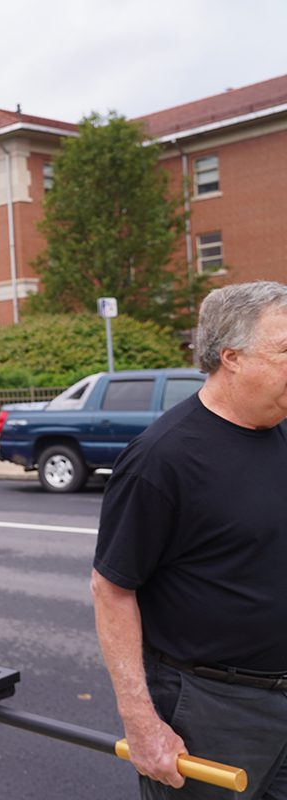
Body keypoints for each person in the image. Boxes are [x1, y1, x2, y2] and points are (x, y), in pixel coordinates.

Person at [92, 280, 287, 799]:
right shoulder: (162, 459)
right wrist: (141, 721)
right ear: (233, 358)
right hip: (209, 709)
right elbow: (112, 589)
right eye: (286, 349)